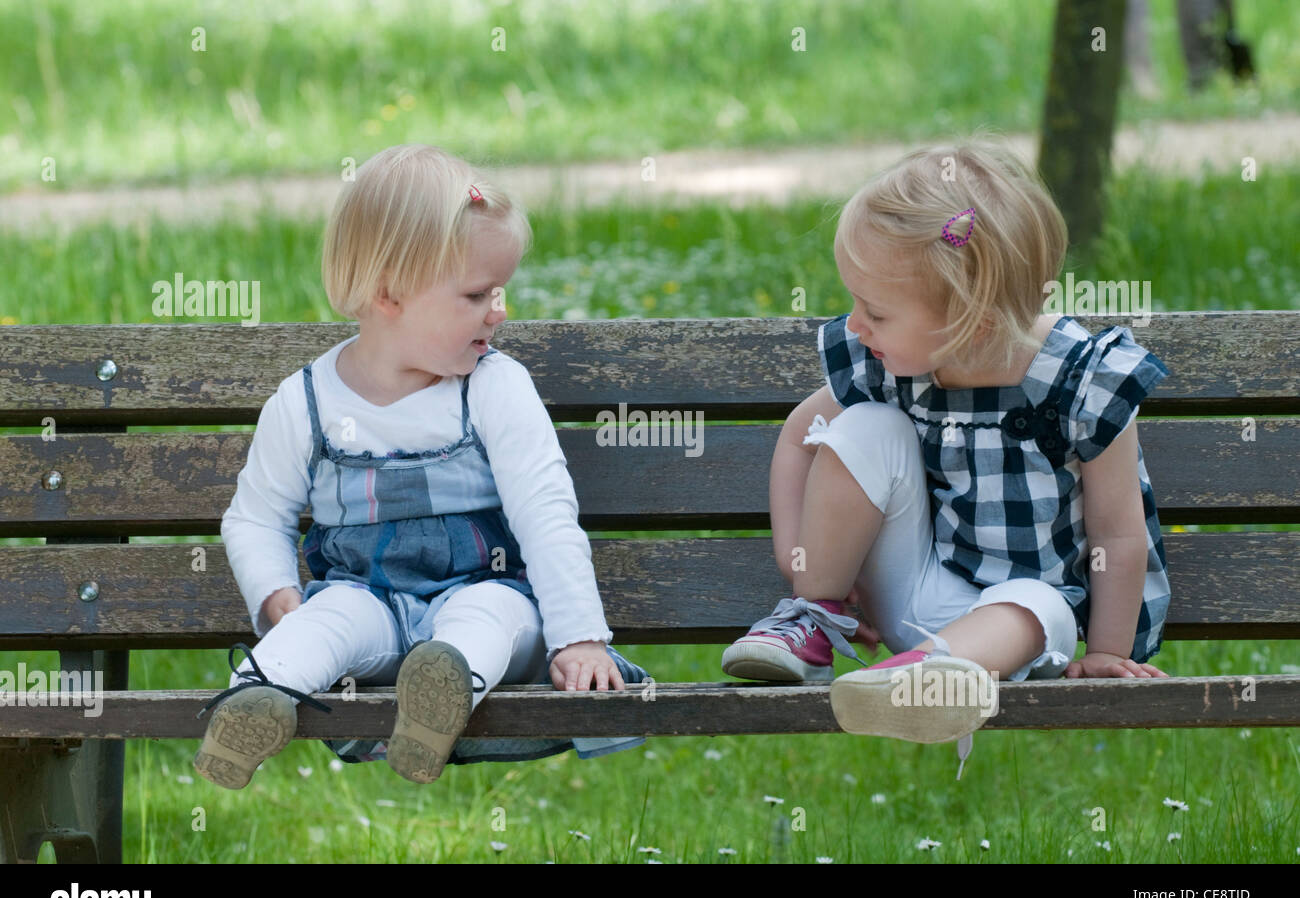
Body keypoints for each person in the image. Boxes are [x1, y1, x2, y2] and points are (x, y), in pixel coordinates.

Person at [194, 144, 647, 790]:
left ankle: (438, 696)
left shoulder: (493, 387)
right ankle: (256, 699)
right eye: (476, 294)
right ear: (389, 294)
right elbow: (255, 516)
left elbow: (544, 512)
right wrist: (276, 597)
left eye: (501, 290)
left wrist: (577, 636)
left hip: (482, 591)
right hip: (366, 600)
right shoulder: (307, 402)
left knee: (485, 617)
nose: (500, 309)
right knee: (321, 624)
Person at [721, 135, 1172, 778]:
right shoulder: (892, 366)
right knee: (865, 427)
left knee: (1035, 603)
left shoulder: (1081, 383)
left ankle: (920, 681)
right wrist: (802, 564)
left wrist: (1106, 651)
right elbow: (800, 436)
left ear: (973, 322)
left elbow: (1119, 537)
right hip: (918, 592)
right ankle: (815, 620)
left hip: (1028, 626)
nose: (853, 327)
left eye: (874, 310)